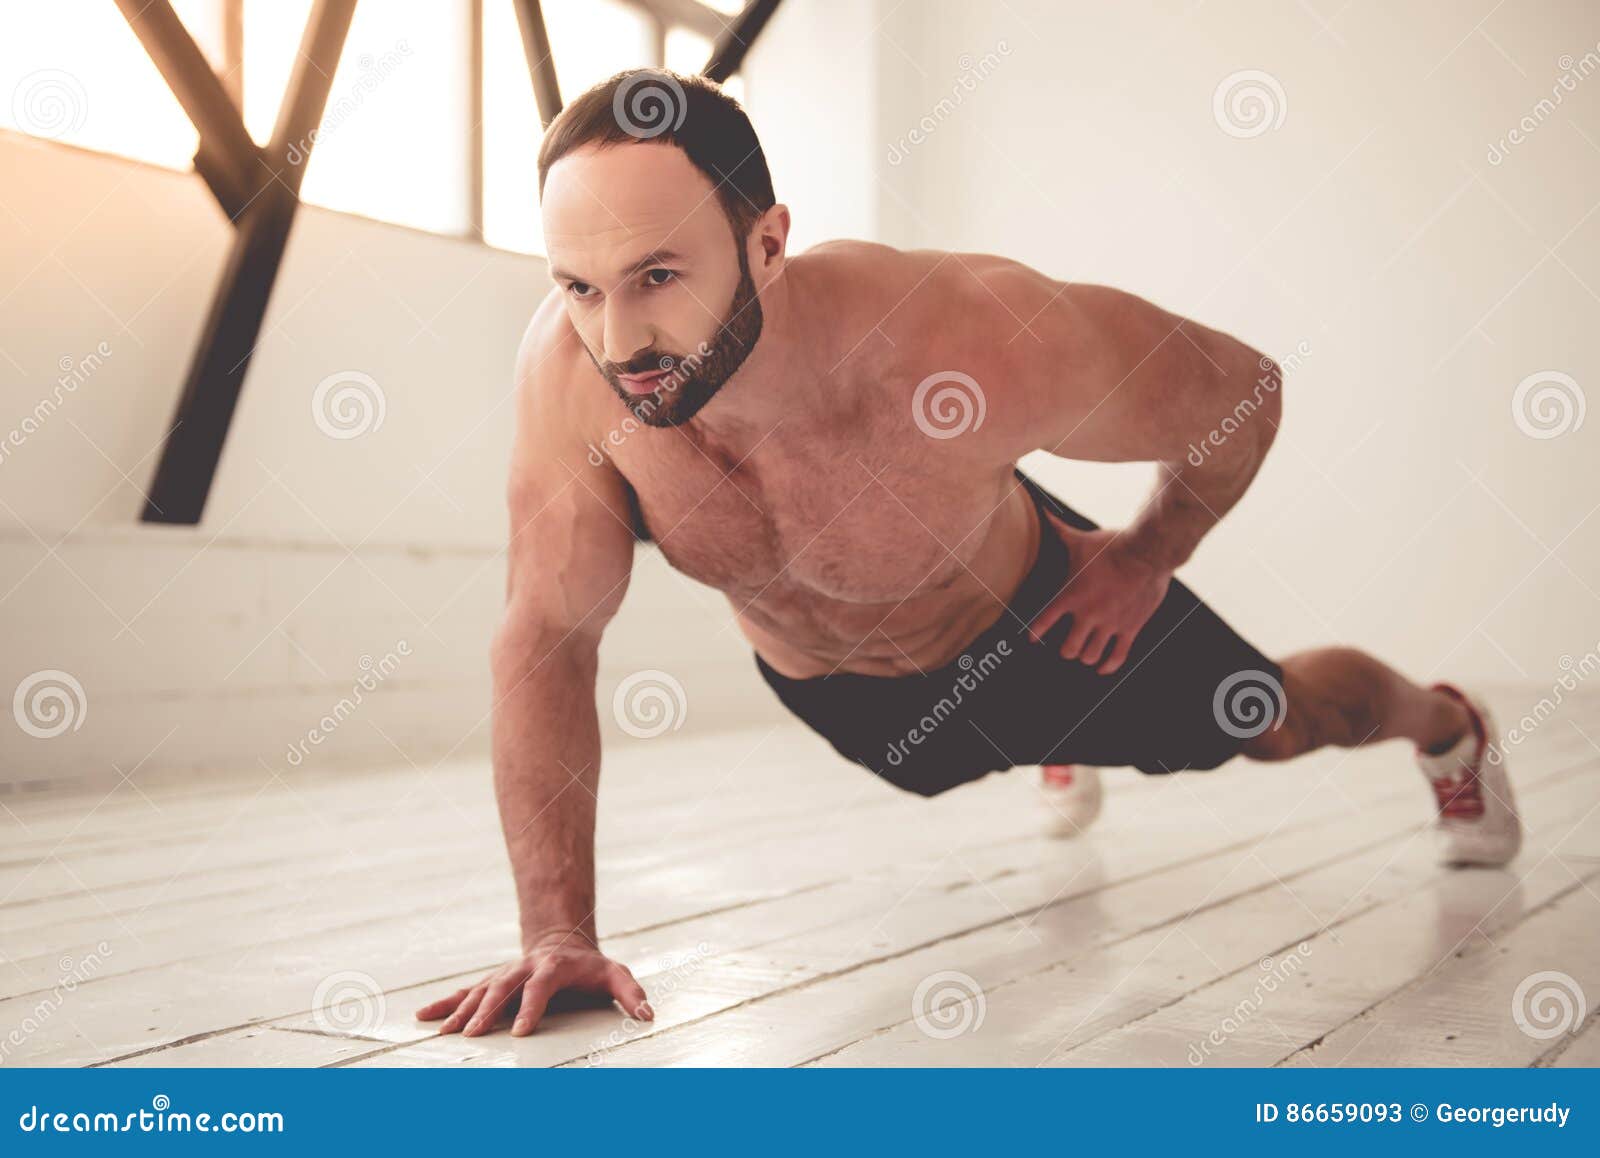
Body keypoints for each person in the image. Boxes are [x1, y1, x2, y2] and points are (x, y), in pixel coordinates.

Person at [415, 69, 1520, 1040]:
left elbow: (1240, 393)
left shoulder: (965, 337)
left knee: (1276, 723)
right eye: (577, 287)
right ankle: (1046, 749)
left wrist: (1144, 555)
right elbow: (549, 635)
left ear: (766, 242)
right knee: (934, 762)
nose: (617, 342)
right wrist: (557, 931)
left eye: (659, 277)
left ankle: (1445, 725)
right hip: (854, 702)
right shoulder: (571, 380)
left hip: (1053, 627)